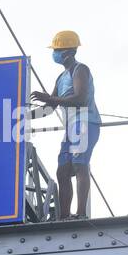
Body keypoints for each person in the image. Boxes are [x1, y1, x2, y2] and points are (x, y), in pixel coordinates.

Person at [30, 30, 101, 219]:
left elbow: (80, 98)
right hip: (72, 128)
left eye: (57, 50)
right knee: (63, 171)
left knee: (79, 164)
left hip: (86, 122)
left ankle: (81, 213)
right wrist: (25, 116)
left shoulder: (81, 70)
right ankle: (64, 216)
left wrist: (50, 97)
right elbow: (50, 107)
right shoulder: (61, 78)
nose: (55, 54)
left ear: (68, 52)